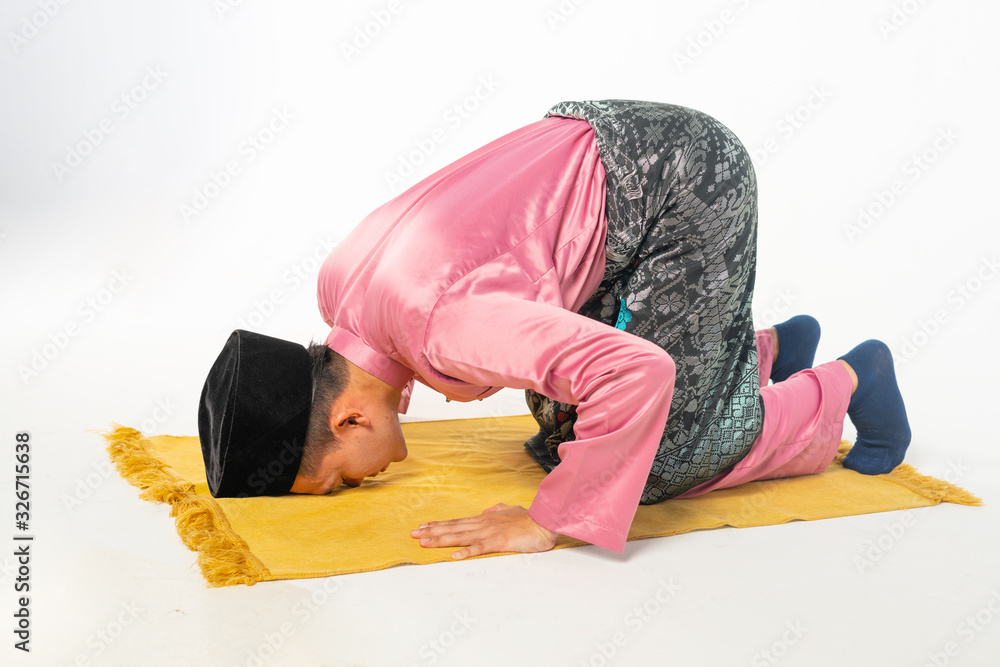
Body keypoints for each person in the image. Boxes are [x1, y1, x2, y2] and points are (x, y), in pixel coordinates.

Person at [198, 100, 911, 560]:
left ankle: (846, 382)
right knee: (564, 428)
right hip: (611, 156)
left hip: (681, 176)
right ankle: (769, 351)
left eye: (338, 482)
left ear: (351, 416)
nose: (363, 483)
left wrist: (552, 520)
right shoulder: (340, 286)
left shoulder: (443, 326)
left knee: (659, 465)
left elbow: (639, 373)